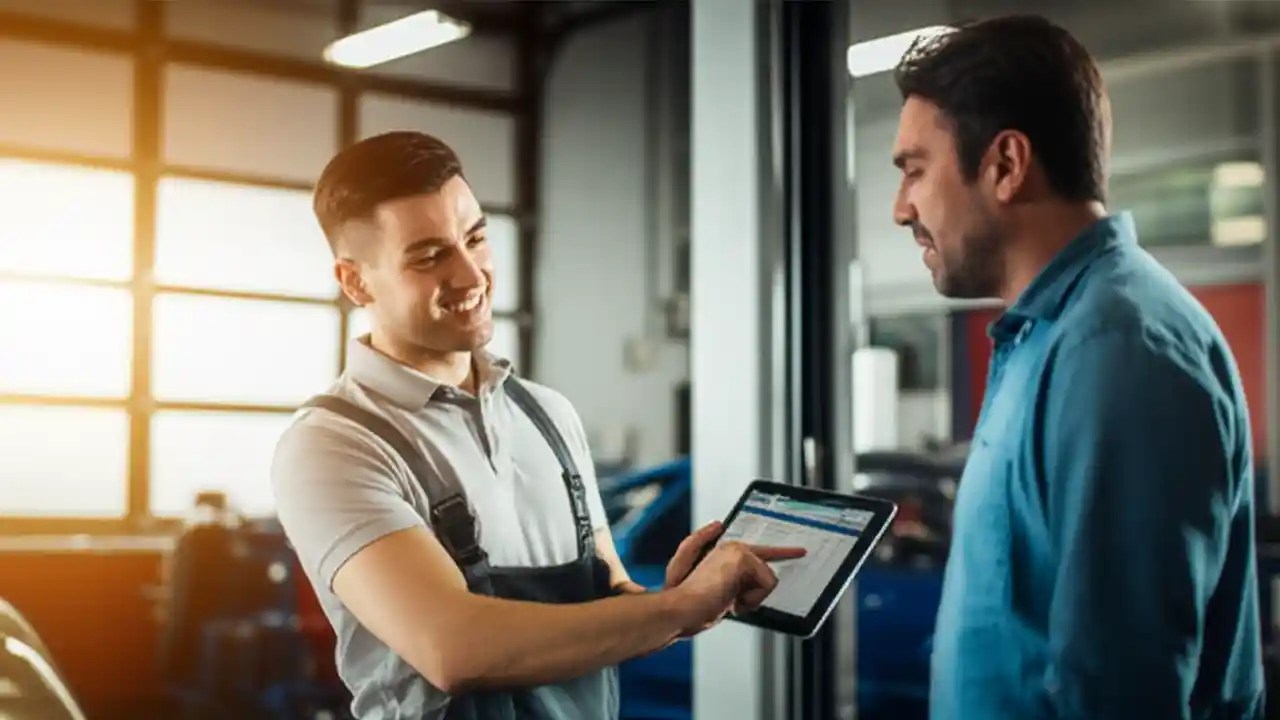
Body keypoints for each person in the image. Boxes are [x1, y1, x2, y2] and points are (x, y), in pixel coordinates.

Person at [271, 131, 803, 720]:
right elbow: (455, 648)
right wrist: (679, 610)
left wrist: (683, 596)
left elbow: (606, 605)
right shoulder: (332, 446)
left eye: (474, 238)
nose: (471, 276)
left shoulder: (548, 415)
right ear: (355, 282)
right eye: (428, 257)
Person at [890, 14, 1264, 720]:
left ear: (1005, 165)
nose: (899, 208)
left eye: (914, 170)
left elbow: (1121, 689)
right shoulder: (1047, 337)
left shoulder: (1119, 350)